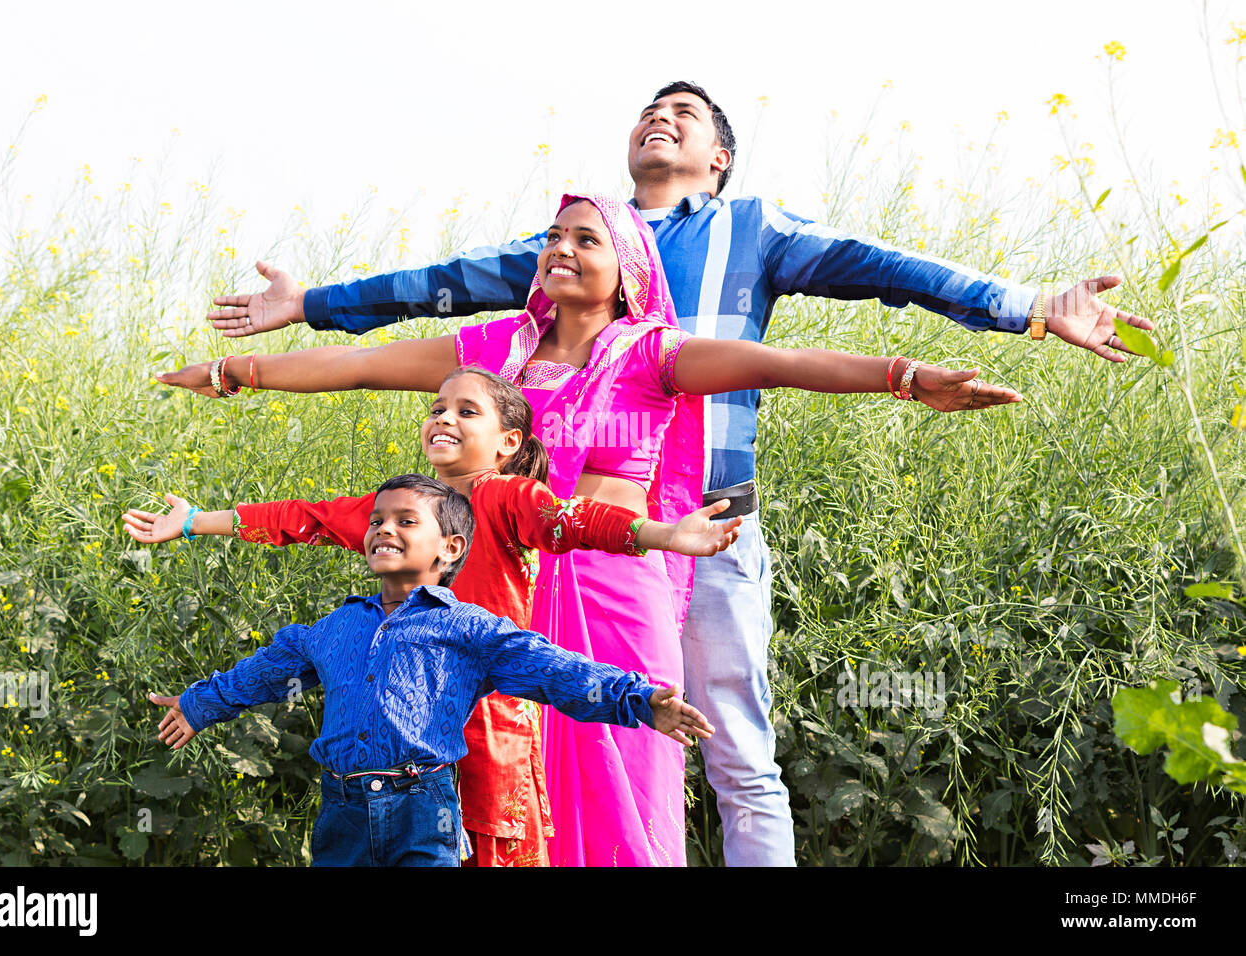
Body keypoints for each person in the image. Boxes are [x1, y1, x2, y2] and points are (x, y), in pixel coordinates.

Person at [195, 83, 1153, 867]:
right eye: (651, 108)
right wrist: (298, 314)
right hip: (530, 559)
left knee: (724, 747)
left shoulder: (745, 241)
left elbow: (875, 277)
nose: (662, 116)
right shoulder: (539, 287)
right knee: (515, 760)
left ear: (719, 156)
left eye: (687, 113)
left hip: (692, 534)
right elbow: (415, 306)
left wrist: (1020, 310)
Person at [128, 366, 740, 867]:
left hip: (491, 721)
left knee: (492, 850)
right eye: (438, 408)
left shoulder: (505, 495)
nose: (443, 417)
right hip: (398, 718)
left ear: (508, 444)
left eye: (466, 411)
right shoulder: (397, 515)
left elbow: (571, 521)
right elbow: (305, 518)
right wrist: (192, 522)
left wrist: (662, 534)